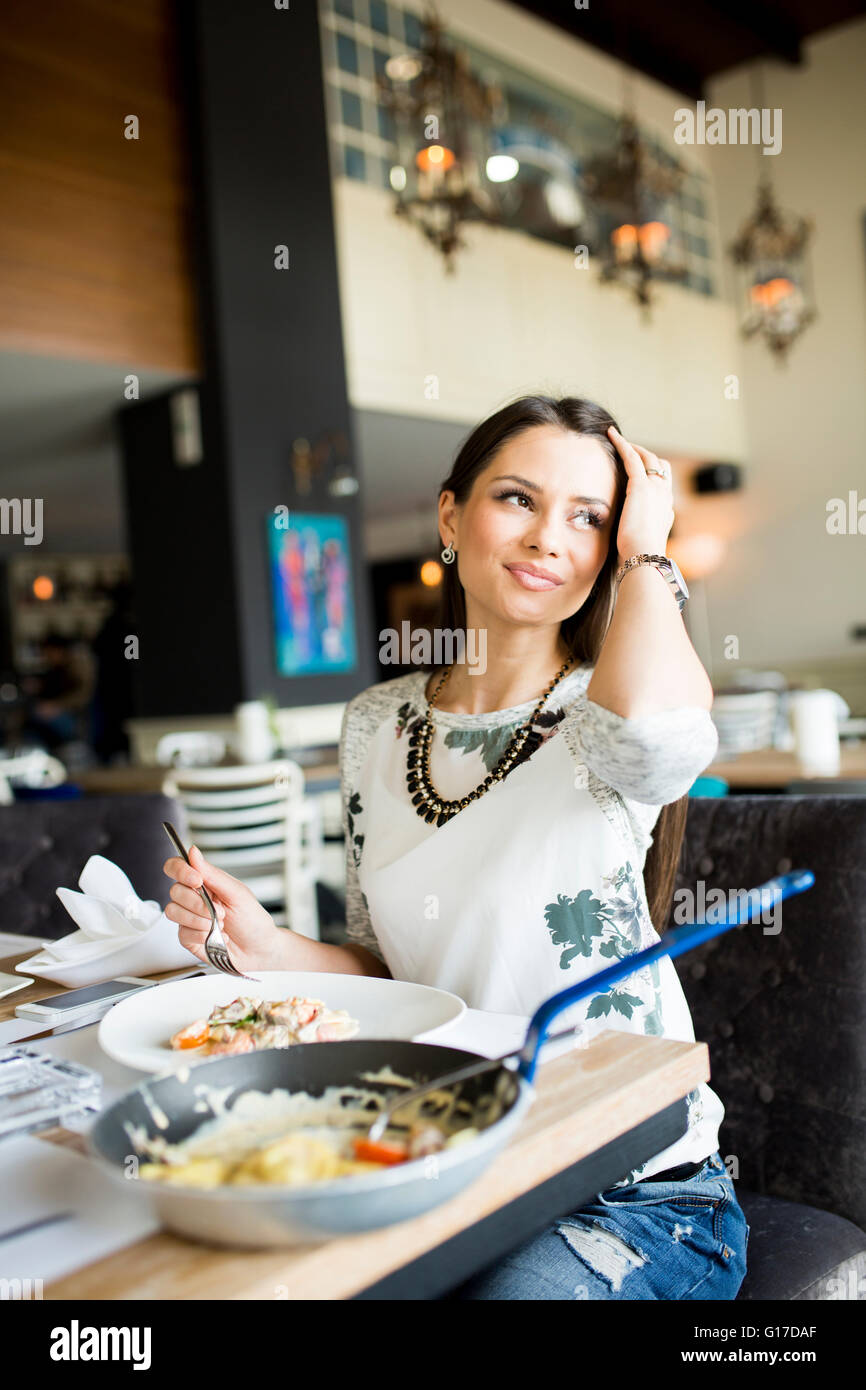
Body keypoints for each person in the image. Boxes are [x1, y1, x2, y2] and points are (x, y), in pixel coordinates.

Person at [163, 395, 747, 1300]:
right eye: (517, 498)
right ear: (450, 516)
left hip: (632, 1193)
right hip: (449, 1158)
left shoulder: (607, 707)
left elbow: (660, 741)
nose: (550, 537)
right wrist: (265, 946)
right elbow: (388, 966)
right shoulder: (373, 726)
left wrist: (650, 555)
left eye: (588, 517)